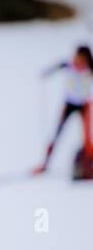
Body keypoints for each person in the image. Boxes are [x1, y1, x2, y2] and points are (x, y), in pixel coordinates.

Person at [34, 44, 92, 175]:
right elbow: (57, 67)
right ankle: (45, 163)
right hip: (69, 104)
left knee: (87, 138)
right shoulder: (69, 66)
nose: (78, 59)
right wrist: (45, 74)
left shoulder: (89, 69)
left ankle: (88, 164)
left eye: (81, 57)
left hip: (84, 105)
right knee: (57, 134)